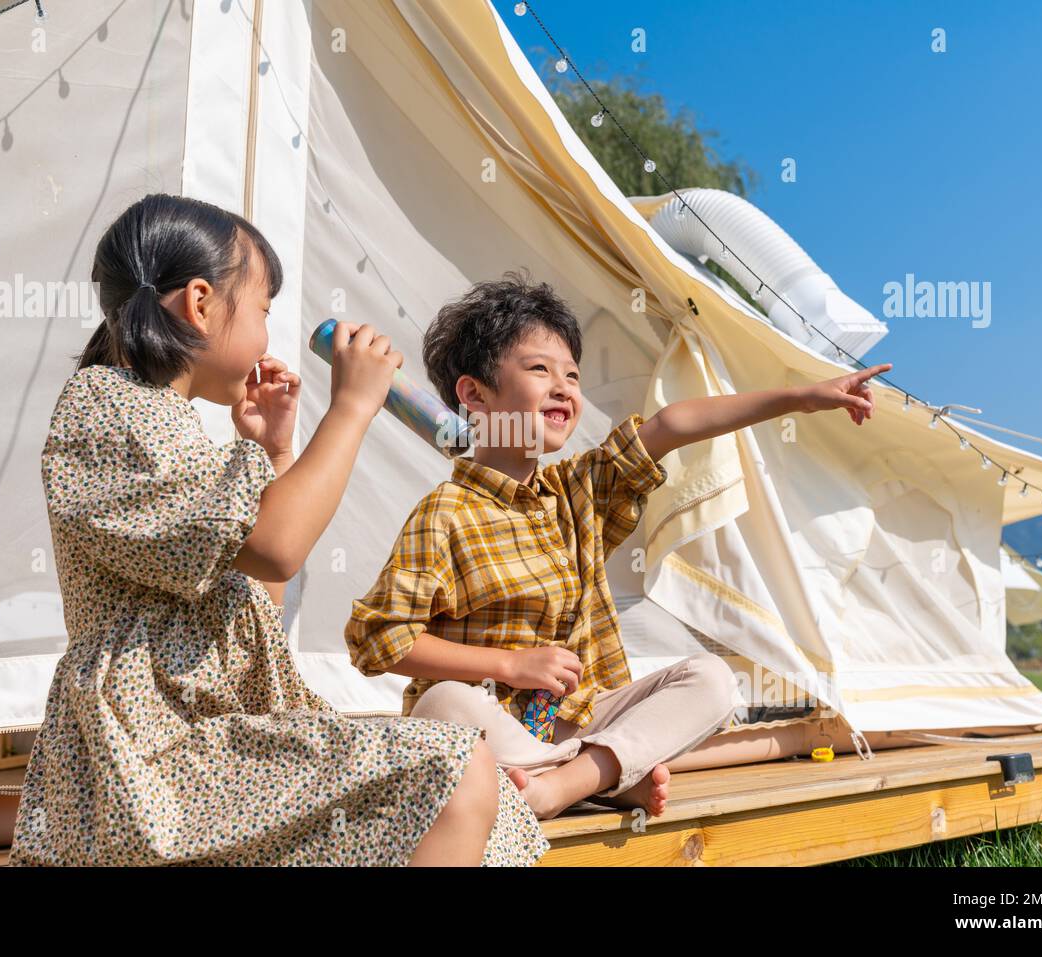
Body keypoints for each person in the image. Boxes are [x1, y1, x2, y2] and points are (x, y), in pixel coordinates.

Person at [8, 195, 549, 866]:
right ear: (200, 303)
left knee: (480, 792)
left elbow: (259, 596)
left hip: (209, 744)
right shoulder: (105, 405)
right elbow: (277, 542)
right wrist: (352, 406)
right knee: (454, 774)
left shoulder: (174, 432)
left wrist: (275, 455)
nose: (268, 334)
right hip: (151, 763)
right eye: (263, 310)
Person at [345, 270, 890, 821]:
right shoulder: (446, 512)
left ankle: (563, 784)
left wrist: (799, 398)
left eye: (573, 375)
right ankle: (596, 776)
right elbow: (377, 641)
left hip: (581, 720)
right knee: (442, 703)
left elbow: (671, 425)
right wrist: (510, 665)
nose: (564, 387)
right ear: (474, 394)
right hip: (489, 727)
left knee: (713, 680)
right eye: (539, 369)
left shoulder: (578, 493)